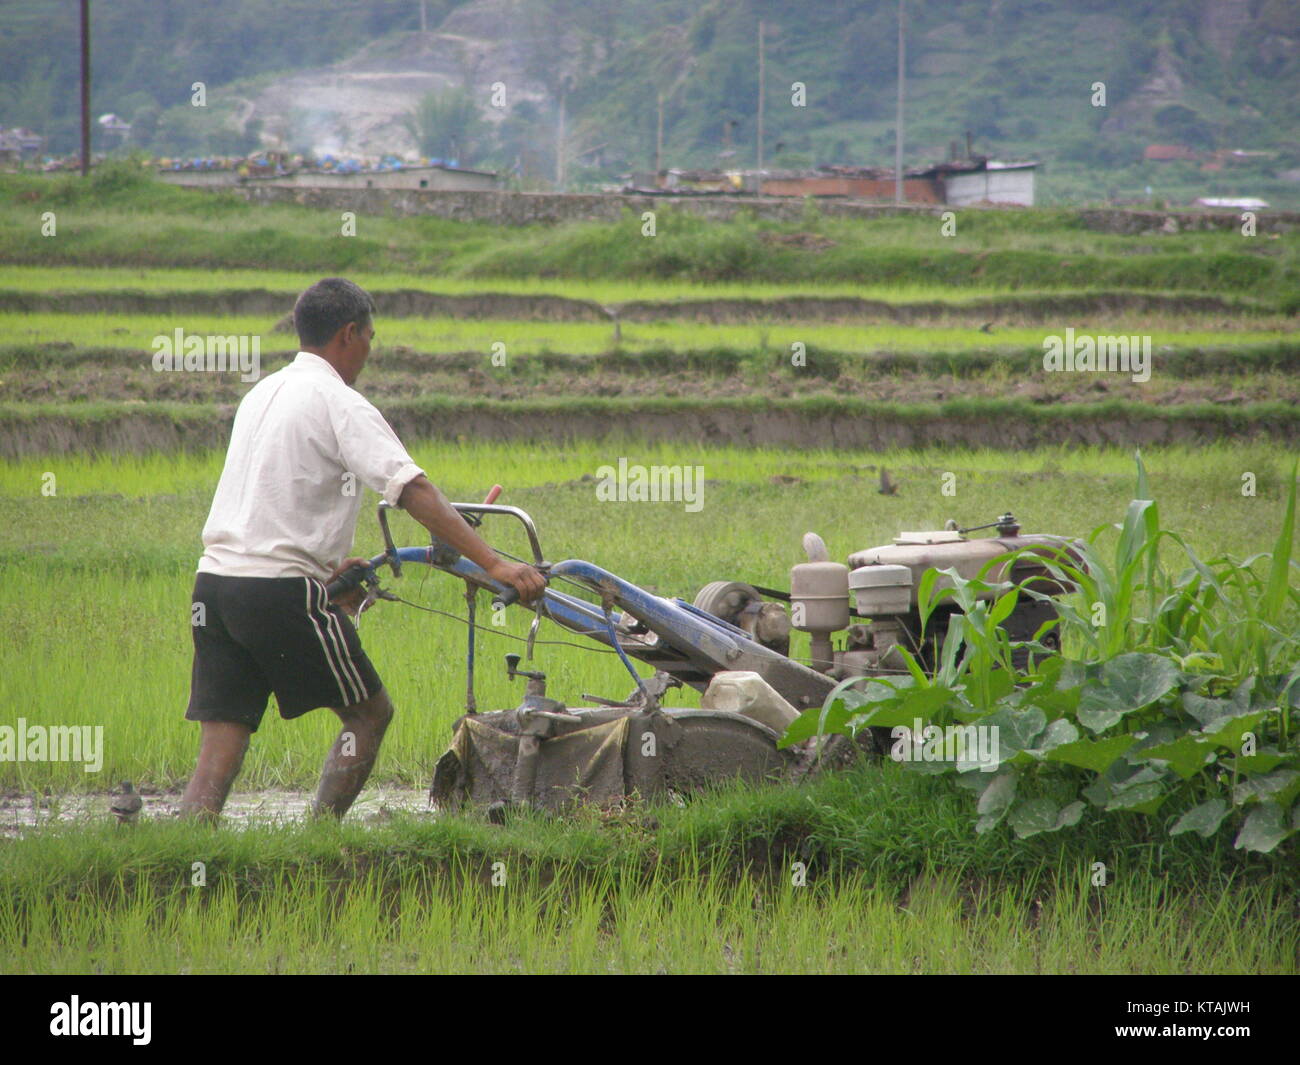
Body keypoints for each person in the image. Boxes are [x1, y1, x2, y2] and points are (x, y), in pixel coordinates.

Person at [180, 278, 545, 820]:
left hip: (215, 587)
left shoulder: (262, 394)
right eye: (371, 338)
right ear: (349, 334)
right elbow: (410, 488)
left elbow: (276, 495)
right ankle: (323, 837)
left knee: (223, 736)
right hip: (278, 592)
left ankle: (188, 847)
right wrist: (495, 562)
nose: (370, 353)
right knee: (370, 715)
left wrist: (327, 568)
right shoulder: (337, 400)